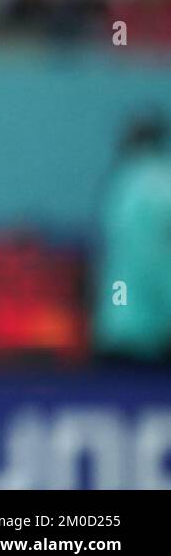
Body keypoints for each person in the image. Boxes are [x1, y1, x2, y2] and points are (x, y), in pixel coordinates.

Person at [93, 112, 171, 366]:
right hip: (147, 330)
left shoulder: (126, 185)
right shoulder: (136, 184)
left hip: (125, 330)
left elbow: (152, 260)